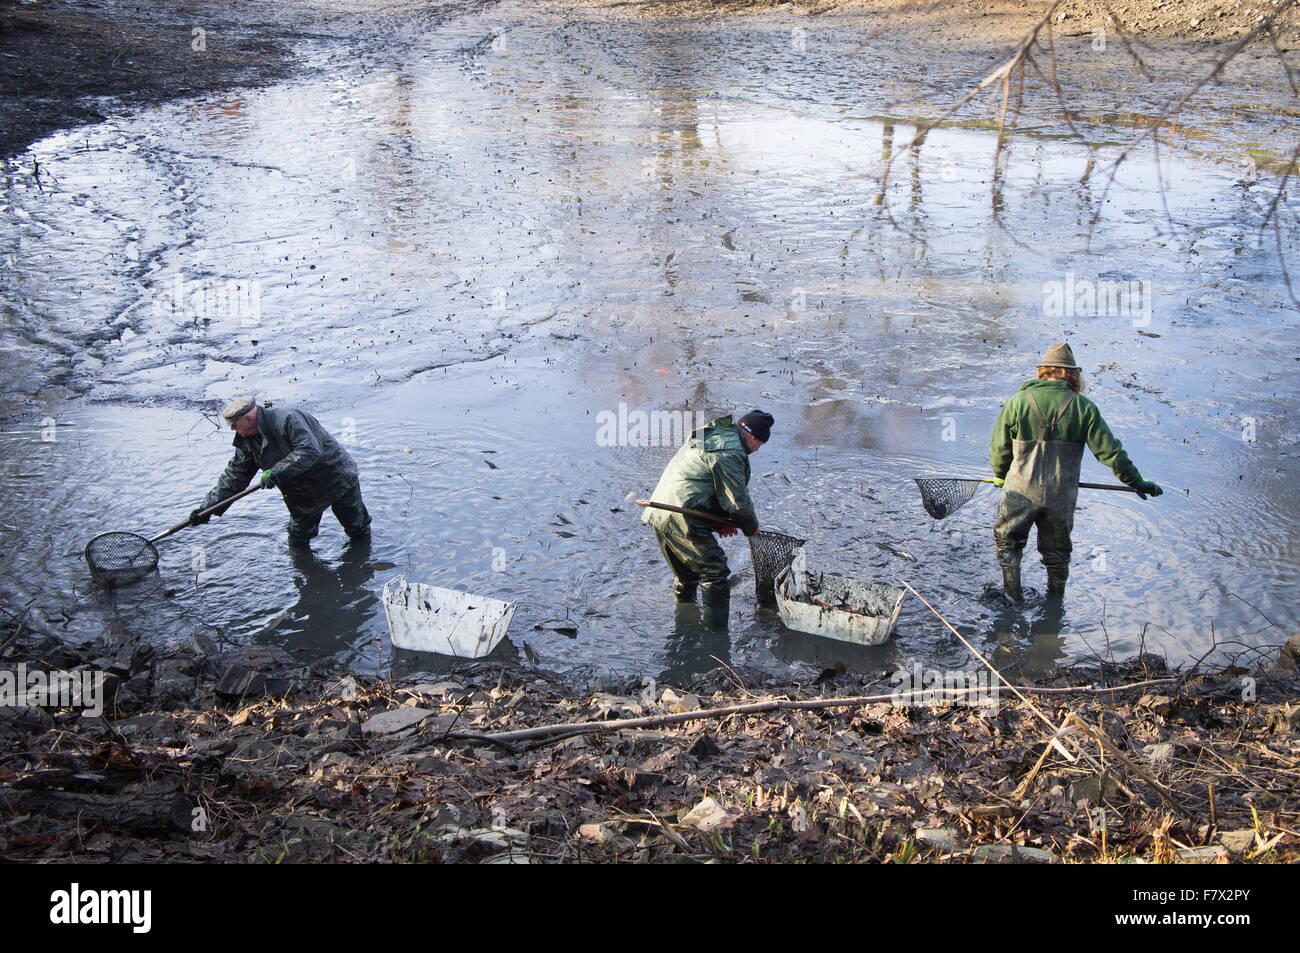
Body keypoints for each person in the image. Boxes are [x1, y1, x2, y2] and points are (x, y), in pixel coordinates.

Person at [989, 343, 1161, 602]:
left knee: (1008, 543)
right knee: (1057, 555)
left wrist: (1000, 475)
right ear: (1072, 374)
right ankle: (1055, 606)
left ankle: (1013, 599)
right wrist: (1137, 482)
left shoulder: (1017, 402)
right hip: (1060, 497)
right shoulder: (1084, 408)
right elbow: (1111, 453)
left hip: (1019, 493)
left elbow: (999, 448)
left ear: (1043, 372)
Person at [191, 396, 371, 548]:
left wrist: (275, 472)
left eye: (235, 424)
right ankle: (305, 578)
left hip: (336, 478)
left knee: (357, 529)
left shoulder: (288, 418)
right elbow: (234, 476)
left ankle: (361, 571)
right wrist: (206, 508)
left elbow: (309, 451)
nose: (232, 429)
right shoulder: (245, 442)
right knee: (297, 539)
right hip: (302, 493)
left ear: (248, 418)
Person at [643, 410, 772, 617]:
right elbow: (737, 502)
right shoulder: (731, 451)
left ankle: (686, 620)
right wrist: (751, 527)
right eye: (760, 444)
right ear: (753, 437)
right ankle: (717, 637)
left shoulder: (713, 434)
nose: (757, 450)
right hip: (682, 516)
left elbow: (702, 481)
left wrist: (722, 522)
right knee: (716, 574)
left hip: (660, 511)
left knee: (687, 576)